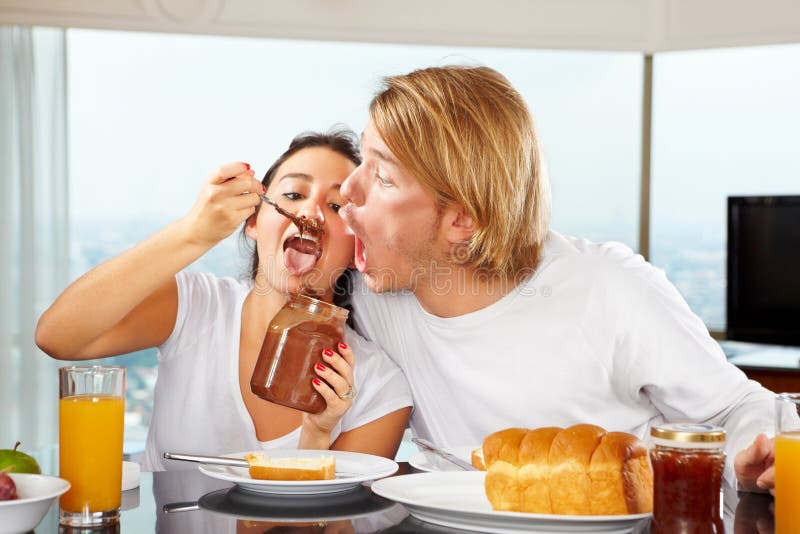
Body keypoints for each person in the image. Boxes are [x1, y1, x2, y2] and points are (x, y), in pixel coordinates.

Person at [337, 65, 776, 492]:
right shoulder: (373, 295)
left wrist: (758, 454)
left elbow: (737, 406)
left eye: (382, 176)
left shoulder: (609, 288)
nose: (347, 189)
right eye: (362, 159)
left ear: (463, 218)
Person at [36, 129, 412, 471]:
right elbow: (57, 336)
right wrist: (194, 232)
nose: (309, 212)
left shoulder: (379, 388)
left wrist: (317, 433)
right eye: (294, 195)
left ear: (357, 247)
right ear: (253, 221)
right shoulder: (194, 306)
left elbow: (331, 523)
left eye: (335, 207)